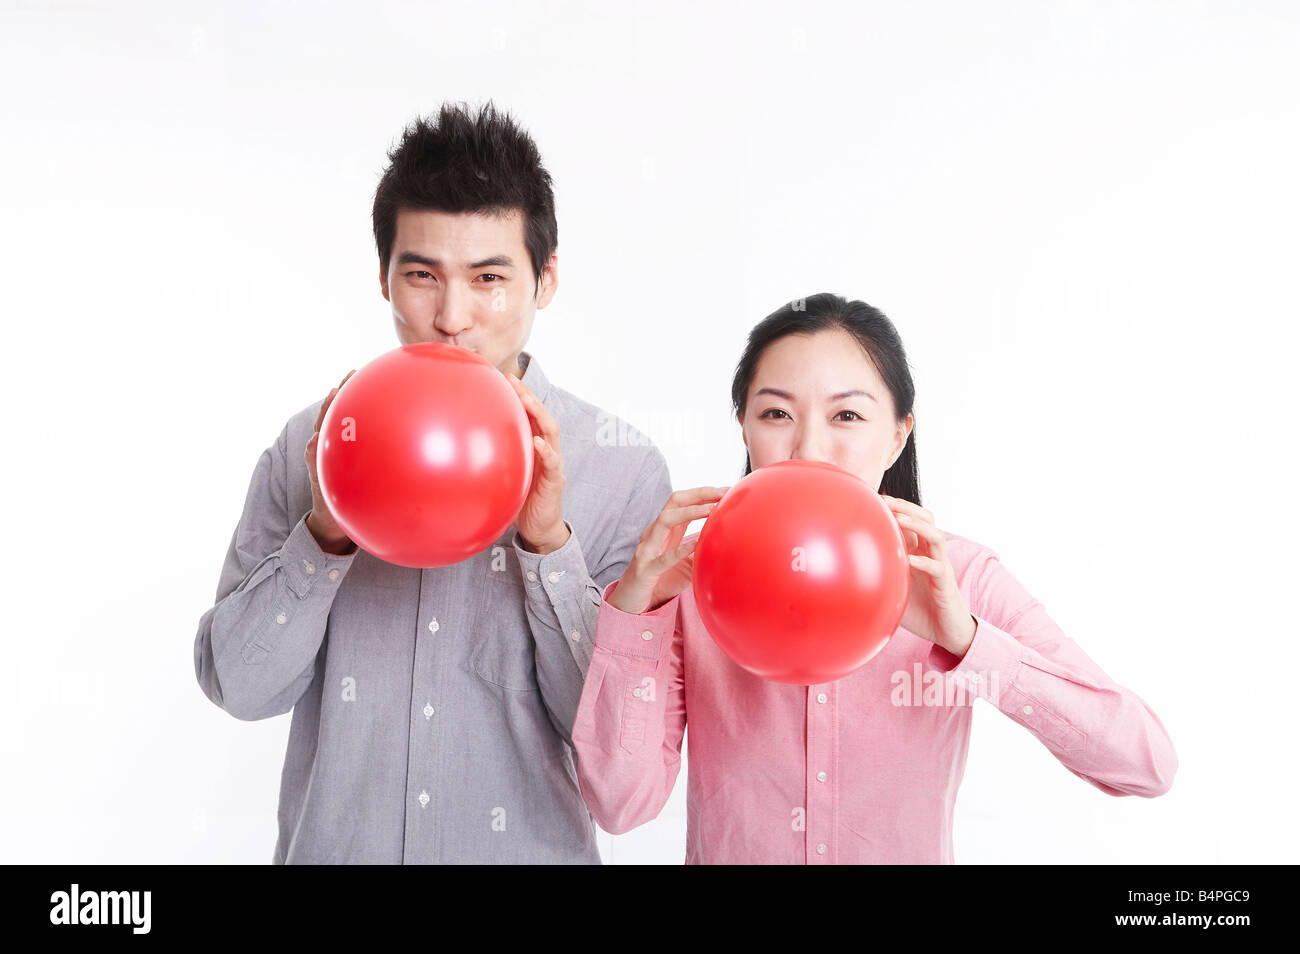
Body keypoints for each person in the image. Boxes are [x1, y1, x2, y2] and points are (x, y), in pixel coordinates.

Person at [194, 101, 672, 864]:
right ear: (383, 278)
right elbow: (240, 690)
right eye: (422, 275)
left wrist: (549, 547)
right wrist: (323, 532)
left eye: (489, 278)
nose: (452, 317)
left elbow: (621, 760)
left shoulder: (620, 468)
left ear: (545, 279)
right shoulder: (308, 447)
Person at [571, 292, 1177, 864]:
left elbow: (1144, 763)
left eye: (847, 415)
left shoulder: (959, 577)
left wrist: (969, 641)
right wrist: (632, 616)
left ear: (897, 436)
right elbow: (621, 806)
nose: (810, 446)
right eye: (777, 412)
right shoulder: (687, 583)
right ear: (745, 427)